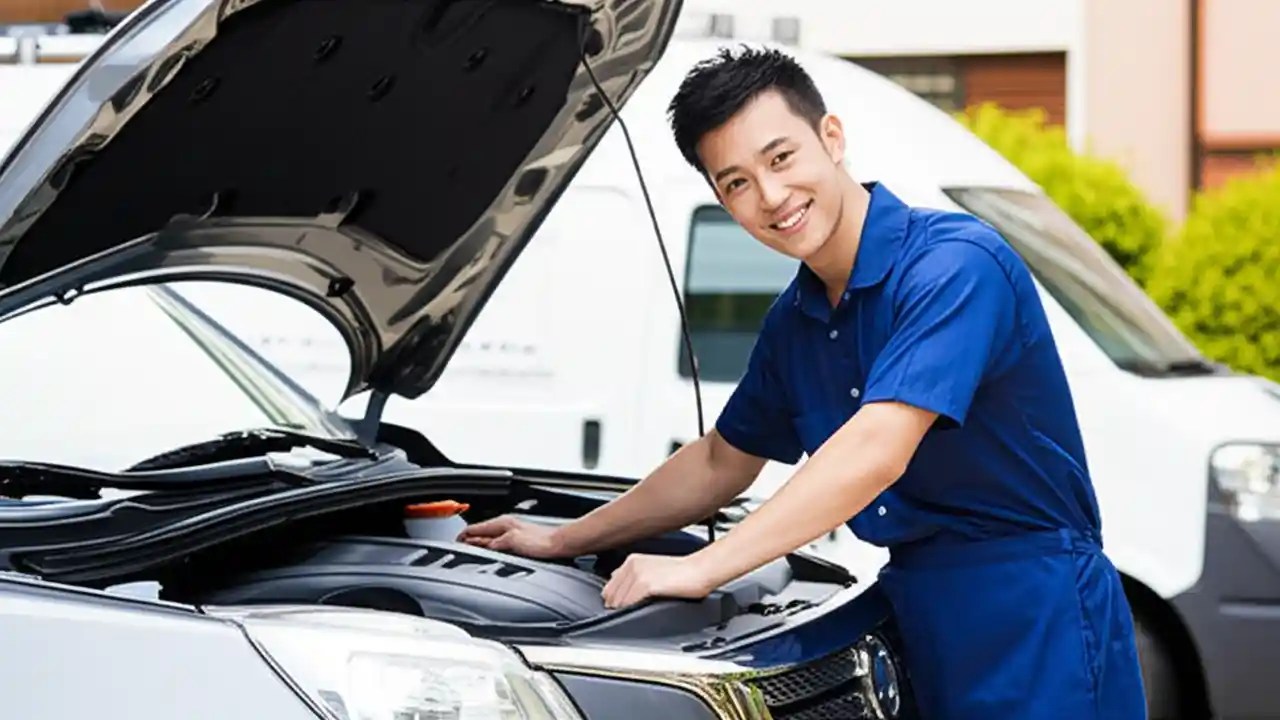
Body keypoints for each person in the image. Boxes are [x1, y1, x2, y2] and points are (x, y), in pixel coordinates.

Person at [458, 45, 1147, 718]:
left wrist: (705, 566)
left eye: (780, 158)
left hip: (1035, 613)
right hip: (913, 607)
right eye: (735, 183)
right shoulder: (796, 320)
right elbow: (720, 460)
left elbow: (878, 447)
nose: (771, 197)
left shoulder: (955, 265)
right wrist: (564, 538)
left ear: (832, 137)